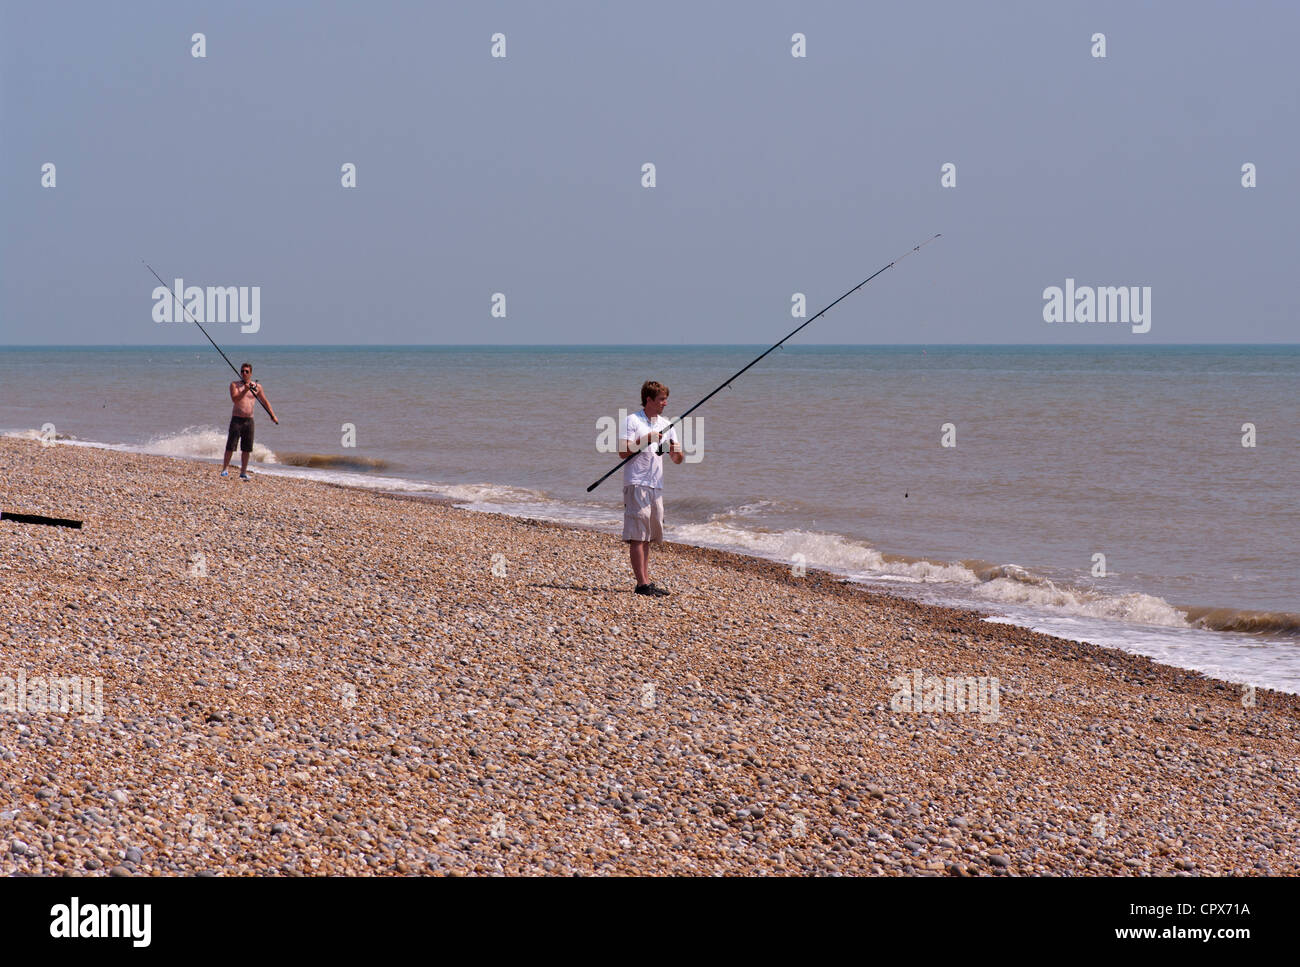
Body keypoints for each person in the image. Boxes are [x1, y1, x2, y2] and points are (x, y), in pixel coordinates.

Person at [619, 380, 685, 596]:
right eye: (661, 400)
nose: (665, 403)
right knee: (638, 535)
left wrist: (677, 452)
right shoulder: (632, 420)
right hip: (636, 482)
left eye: (666, 399)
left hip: (656, 485)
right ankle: (641, 584)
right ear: (649, 400)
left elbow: (676, 459)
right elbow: (622, 451)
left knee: (648, 536)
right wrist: (645, 439)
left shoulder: (666, 424)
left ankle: (645, 582)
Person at [220, 362, 278, 481]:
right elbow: (235, 399)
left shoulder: (257, 387)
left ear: (251, 373)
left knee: (247, 448)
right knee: (230, 446)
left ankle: (243, 472)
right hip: (236, 419)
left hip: (249, 420)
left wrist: (273, 415)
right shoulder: (234, 385)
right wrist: (244, 390)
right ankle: (224, 469)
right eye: (242, 371)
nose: (244, 373)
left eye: (246, 371)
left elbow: (265, 401)